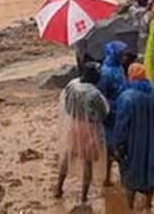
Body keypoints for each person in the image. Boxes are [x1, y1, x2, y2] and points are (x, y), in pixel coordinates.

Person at [113, 63, 154, 210]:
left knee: (130, 178)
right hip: (153, 142)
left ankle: (130, 208)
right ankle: (149, 206)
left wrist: (118, 144)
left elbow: (121, 126)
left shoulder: (126, 97)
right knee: (151, 174)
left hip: (133, 145)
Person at [55, 63, 110, 203]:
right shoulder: (94, 93)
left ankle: (58, 187)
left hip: (75, 125)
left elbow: (67, 106)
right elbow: (104, 112)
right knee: (87, 163)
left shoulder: (72, 85)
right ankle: (84, 196)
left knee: (68, 155)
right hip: (90, 129)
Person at [98, 41, 131, 185]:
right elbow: (101, 95)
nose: (124, 58)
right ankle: (108, 177)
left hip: (122, 108)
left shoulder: (118, 67)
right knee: (112, 146)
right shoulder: (106, 73)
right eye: (122, 55)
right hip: (112, 113)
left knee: (121, 144)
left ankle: (118, 176)